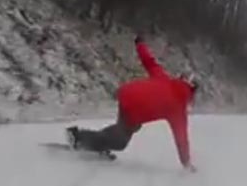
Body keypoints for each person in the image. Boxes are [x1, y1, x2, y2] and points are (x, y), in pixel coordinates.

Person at [67, 34, 198, 171]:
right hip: (133, 111)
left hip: (126, 93)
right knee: (121, 141)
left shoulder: (163, 78)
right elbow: (181, 140)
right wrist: (186, 163)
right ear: (192, 93)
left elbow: (149, 61)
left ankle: (97, 141)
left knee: (124, 129)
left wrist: (140, 44)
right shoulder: (178, 109)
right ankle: (78, 138)